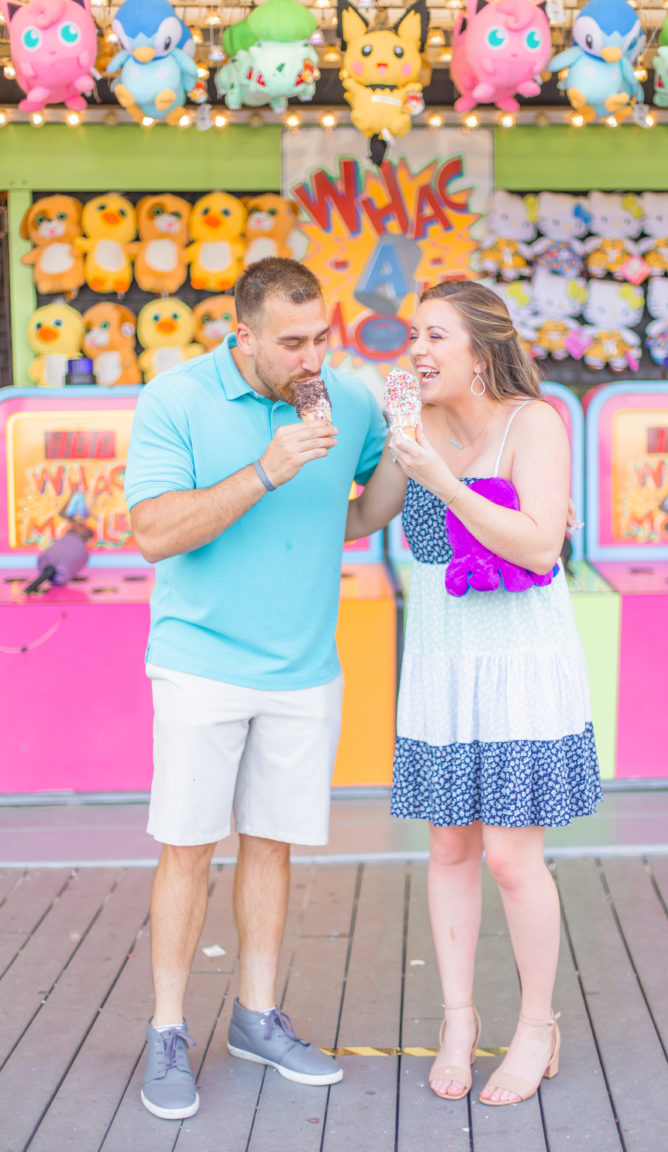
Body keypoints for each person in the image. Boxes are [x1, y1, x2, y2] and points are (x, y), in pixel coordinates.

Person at [124, 257, 386, 1120]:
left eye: (322, 337)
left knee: (272, 842)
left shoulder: (346, 400)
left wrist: (412, 433)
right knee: (189, 845)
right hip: (201, 660)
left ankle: (257, 1017)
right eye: (292, 343)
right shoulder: (177, 397)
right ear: (241, 334)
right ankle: (168, 1029)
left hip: (305, 664)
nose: (313, 358)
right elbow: (154, 532)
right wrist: (267, 469)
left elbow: (357, 511)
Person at [346, 279, 601, 1107]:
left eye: (435, 337)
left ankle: (536, 1025)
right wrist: (381, 441)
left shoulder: (536, 425)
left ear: (483, 352)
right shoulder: (413, 430)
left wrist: (444, 481)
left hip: (519, 661)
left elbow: (534, 548)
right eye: (413, 337)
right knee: (449, 846)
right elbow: (364, 519)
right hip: (444, 661)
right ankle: (458, 1019)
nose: (416, 351)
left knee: (510, 856)